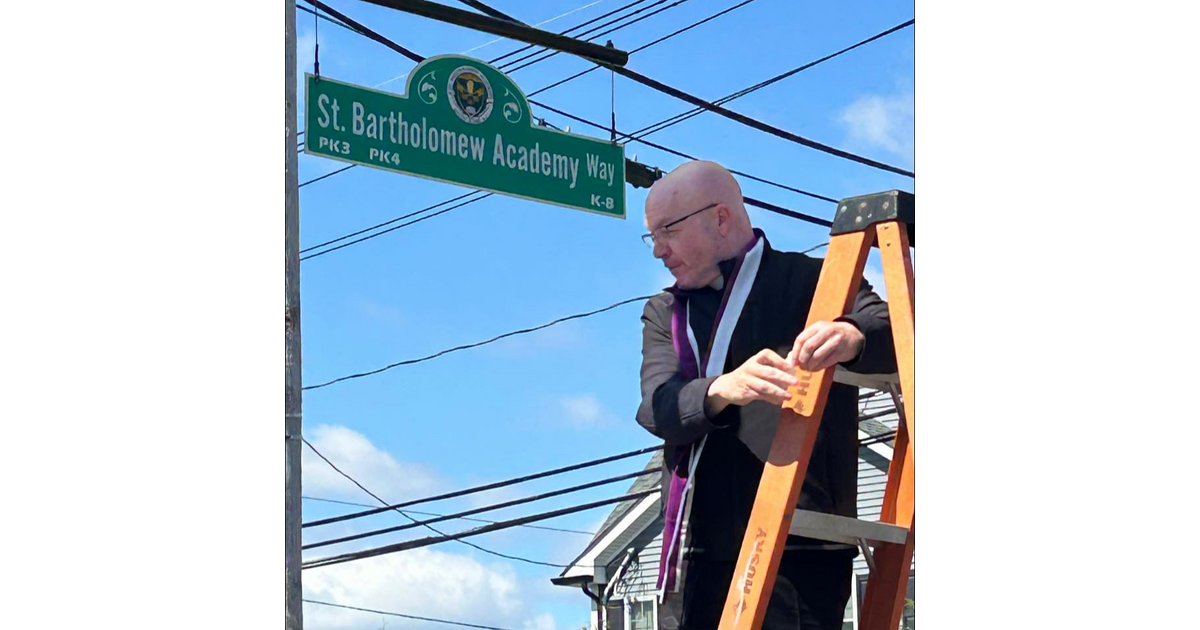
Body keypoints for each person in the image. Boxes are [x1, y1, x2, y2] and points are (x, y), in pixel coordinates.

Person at [636, 161, 896, 630]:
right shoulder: (666, 313)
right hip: (705, 551)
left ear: (720, 217)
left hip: (803, 547)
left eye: (667, 231)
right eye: (651, 236)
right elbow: (659, 408)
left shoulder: (815, 281)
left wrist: (852, 333)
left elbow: (895, 330)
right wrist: (721, 389)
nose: (658, 251)